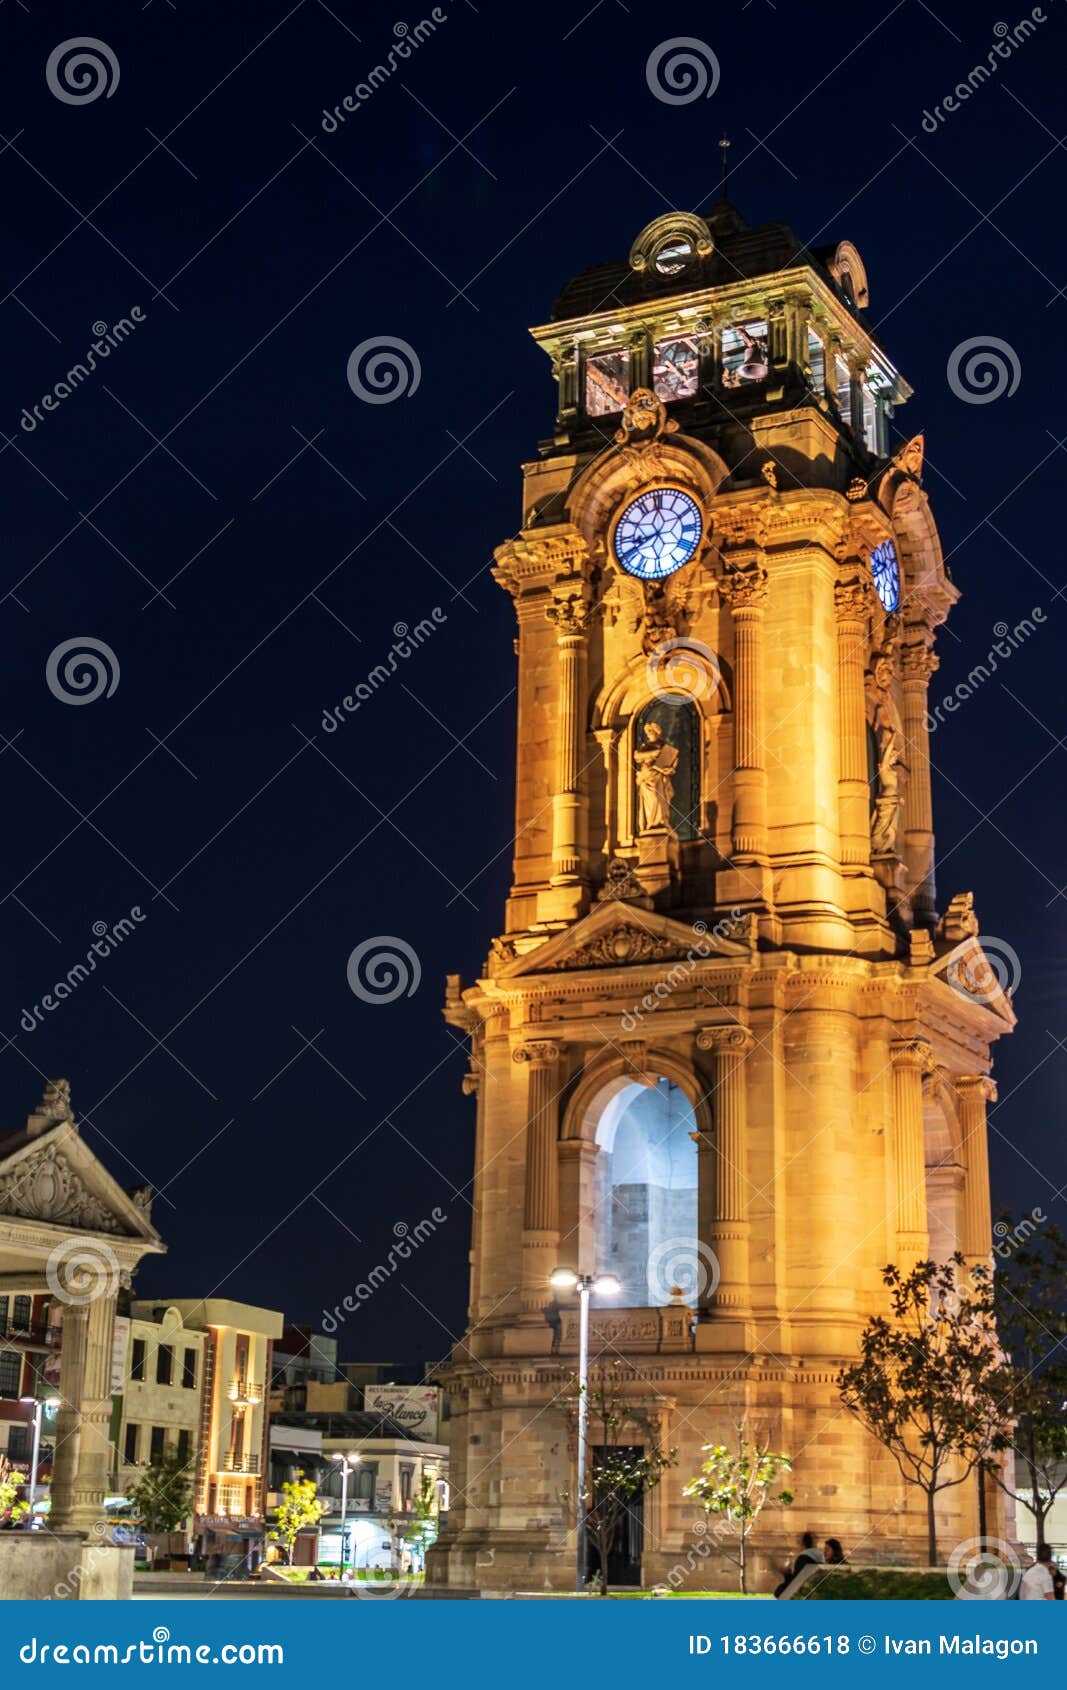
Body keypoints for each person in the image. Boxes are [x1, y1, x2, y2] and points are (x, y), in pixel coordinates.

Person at [774, 1532, 824, 1598]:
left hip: (805, 1592)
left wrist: (786, 1573)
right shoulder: (820, 1556)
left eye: (798, 1542)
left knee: (779, 1590)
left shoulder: (803, 1558)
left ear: (802, 1544)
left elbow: (797, 1581)